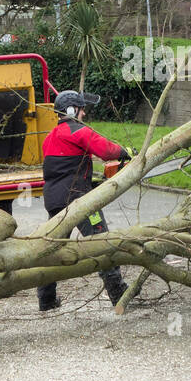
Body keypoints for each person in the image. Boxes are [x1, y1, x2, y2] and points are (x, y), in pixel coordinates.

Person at [37, 90, 136, 311]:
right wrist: (126, 152)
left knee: (51, 249)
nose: (84, 113)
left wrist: (92, 182)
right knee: (101, 243)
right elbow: (106, 150)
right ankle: (118, 293)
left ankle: (46, 300)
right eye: (82, 109)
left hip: (55, 201)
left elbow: (65, 169)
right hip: (79, 202)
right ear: (73, 110)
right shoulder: (79, 131)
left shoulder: (50, 137)